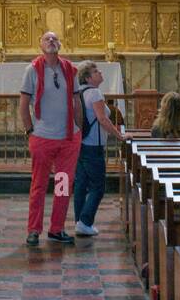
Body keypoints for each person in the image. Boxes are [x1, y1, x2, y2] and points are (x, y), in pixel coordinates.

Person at [19, 31, 83, 247]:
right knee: (38, 185)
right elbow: (23, 104)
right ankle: (33, 229)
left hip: (67, 138)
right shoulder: (32, 70)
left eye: (55, 39)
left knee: (63, 185)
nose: (52, 41)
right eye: (47, 39)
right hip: (43, 137)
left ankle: (57, 228)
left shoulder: (69, 70)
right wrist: (30, 131)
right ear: (40, 45)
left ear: (60, 45)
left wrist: (78, 129)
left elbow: (77, 101)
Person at [72, 62, 125, 238]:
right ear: (88, 77)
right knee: (98, 187)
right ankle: (85, 222)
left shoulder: (79, 92)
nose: (100, 72)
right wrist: (120, 136)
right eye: (95, 71)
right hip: (94, 145)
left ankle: (79, 221)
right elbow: (103, 119)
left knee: (81, 185)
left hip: (81, 144)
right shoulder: (95, 93)